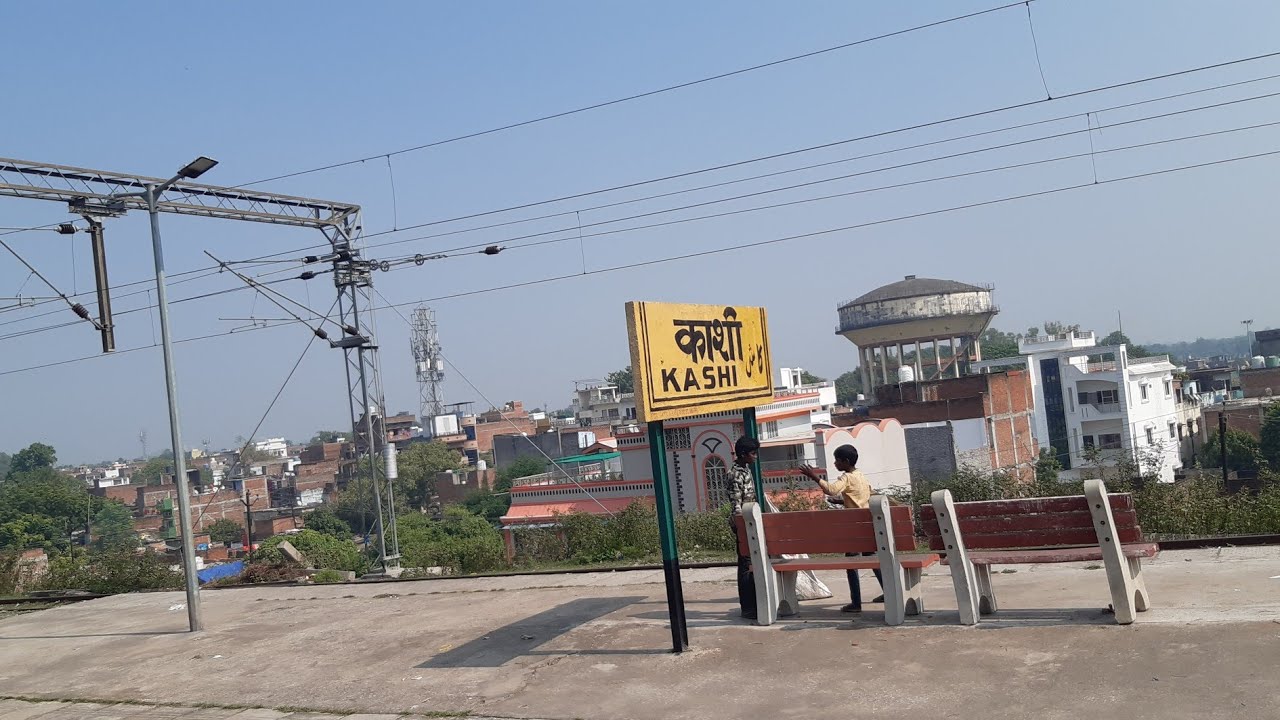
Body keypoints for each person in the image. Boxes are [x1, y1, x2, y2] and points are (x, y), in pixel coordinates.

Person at [800, 444, 884, 613]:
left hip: (853, 529)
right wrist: (842, 501)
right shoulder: (861, 475)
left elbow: (832, 490)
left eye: (837, 460)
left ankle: (856, 603)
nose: (835, 463)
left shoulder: (846, 477)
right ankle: (888, 590)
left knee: (851, 564)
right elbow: (861, 497)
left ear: (845, 462)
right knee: (873, 560)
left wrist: (814, 477)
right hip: (866, 526)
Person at [728, 436, 761, 620]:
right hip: (743, 523)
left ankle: (753, 603)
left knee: (750, 563)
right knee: (745, 564)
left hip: (750, 520)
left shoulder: (745, 469)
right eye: (752, 453)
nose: (755, 457)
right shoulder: (735, 474)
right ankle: (748, 607)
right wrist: (740, 526)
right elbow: (736, 503)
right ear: (742, 454)